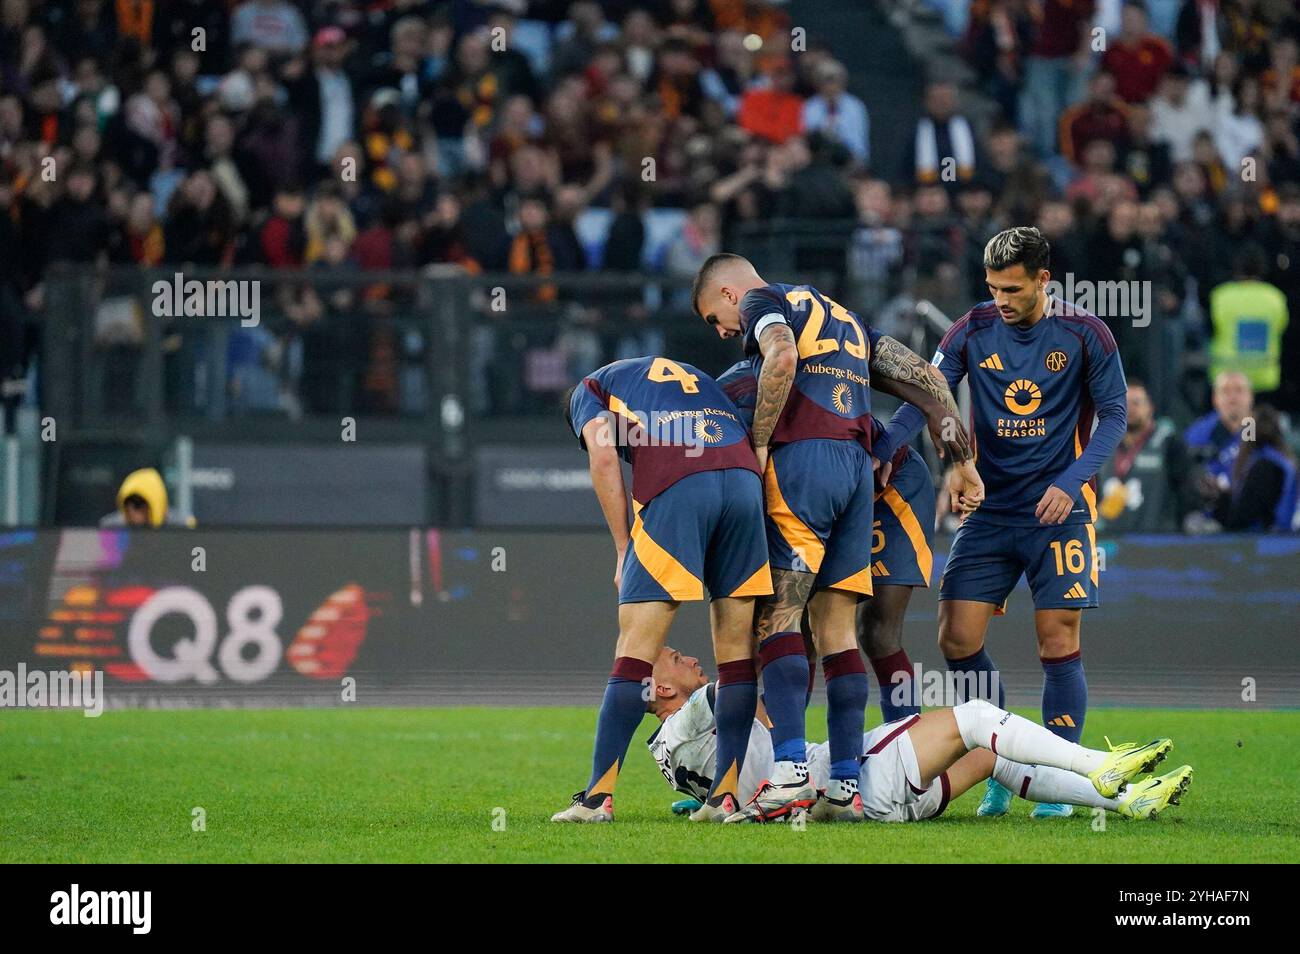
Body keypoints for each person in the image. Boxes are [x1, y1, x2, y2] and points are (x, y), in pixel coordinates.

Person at [691, 253, 981, 822]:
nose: (725, 333)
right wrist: (962, 460)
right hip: (855, 470)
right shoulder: (841, 316)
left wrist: (758, 444)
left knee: (779, 615)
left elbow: (779, 355)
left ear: (728, 294)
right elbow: (926, 377)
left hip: (805, 463)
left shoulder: (762, 303)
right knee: (837, 627)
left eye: (714, 319)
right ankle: (845, 782)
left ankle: (790, 773)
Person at [896, 226, 1128, 819]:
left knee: (1058, 641)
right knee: (956, 638)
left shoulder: (1085, 333)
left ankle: (1059, 783)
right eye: (993, 286)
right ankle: (999, 762)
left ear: (1044, 281)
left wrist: (1072, 480)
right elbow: (927, 395)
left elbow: (1114, 417)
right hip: (990, 510)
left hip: (1061, 511)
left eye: (1013, 288)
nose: (1000, 298)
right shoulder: (972, 329)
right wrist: (881, 448)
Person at [551, 356, 772, 824]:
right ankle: (724, 797)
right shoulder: (691, 377)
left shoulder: (587, 391)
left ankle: (596, 799)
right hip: (744, 481)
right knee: (735, 653)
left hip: (677, 483)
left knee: (633, 652)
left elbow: (604, 455)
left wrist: (621, 547)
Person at [646, 647, 1193, 823]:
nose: (689, 657)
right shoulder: (691, 713)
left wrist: (703, 800)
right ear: (659, 692)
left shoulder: (666, 752)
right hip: (853, 775)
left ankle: (1127, 800)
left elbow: (739, 746)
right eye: (673, 659)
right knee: (978, 716)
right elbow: (739, 685)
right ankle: (1098, 763)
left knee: (987, 756)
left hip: (867, 805)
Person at [718, 355, 935, 725]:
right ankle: (786, 754)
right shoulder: (727, 402)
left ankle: (909, 747)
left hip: (890, 486)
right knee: (794, 625)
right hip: (817, 490)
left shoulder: (753, 396)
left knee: (876, 631)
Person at [1097, 380, 1195, 533]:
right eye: (1124, 403)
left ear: (1151, 408)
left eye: (1136, 403)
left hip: (1158, 544)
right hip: (1110, 542)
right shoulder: (1101, 445)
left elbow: (1187, 492)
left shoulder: (1169, 443)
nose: (1130, 408)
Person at [1208, 405, 1297, 532]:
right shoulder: (1284, 461)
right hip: (1285, 539)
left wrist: (1220, 498)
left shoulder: (1265, 467)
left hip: (1262, 543)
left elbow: (1240, 519)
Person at [99, 468, 193, 528]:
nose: (132, 510)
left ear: (155, 504)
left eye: (138, 503)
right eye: (127, 503)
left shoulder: (181, 527)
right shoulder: (112, 529)